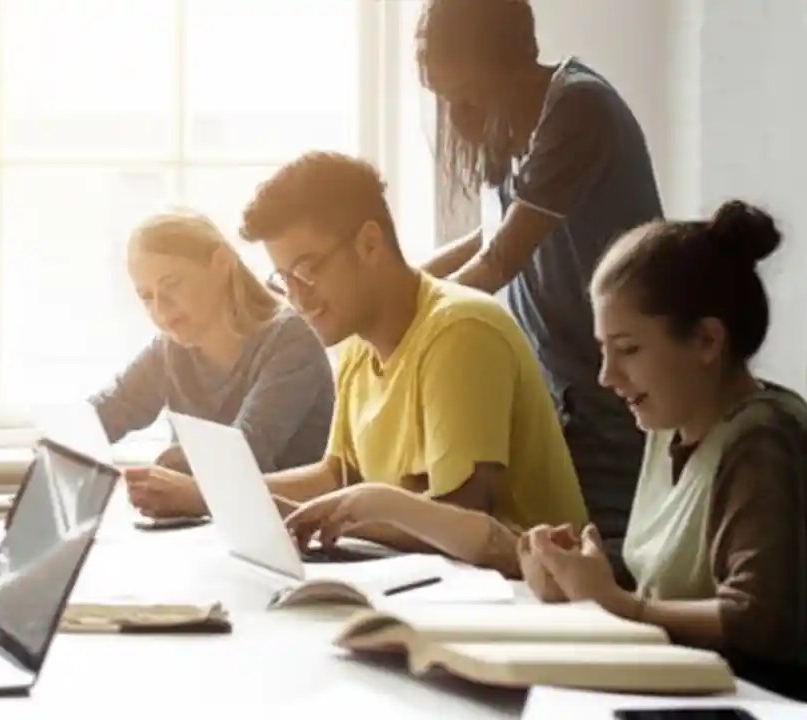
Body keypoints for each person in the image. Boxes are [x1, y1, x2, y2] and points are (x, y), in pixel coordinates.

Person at [134, 152, 588, 569]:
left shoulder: (460, 330)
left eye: (308, 270)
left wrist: (226, 501)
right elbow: (336, 476)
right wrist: (214, 494)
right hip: (428, 584)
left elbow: (459, 518)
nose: (297, 297)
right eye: (284, 278)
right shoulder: (357, 346)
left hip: (516, 596)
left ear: (370, 244)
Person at [519, 201, 807, 700]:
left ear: (706, 340)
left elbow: (760, 622)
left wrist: (618, 606)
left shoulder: (762, 440)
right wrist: (578, 575)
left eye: (628, 350)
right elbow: (666, 572)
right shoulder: (666, 425)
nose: (607, 376)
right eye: (603, 350)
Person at [415, 0, 661, 573]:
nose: (460, 115)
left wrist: (407, 307)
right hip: (562, 388)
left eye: (466, 95)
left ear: (503, 61)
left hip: (610, 388)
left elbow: (500, 260)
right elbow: (492, 232)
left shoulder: (578, 109)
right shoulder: (512, 123)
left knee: (613, 568)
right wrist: (404, 282)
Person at [91, 211, 334, 518]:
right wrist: (59, 443)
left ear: (221, 264)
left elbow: (246, 453)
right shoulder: (170, 349)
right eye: (146, 297)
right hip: (211, 529)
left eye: (172, 284)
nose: (160, 308)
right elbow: (113, 407)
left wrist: (170, 467)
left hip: (288, 533)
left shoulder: (290, 339)